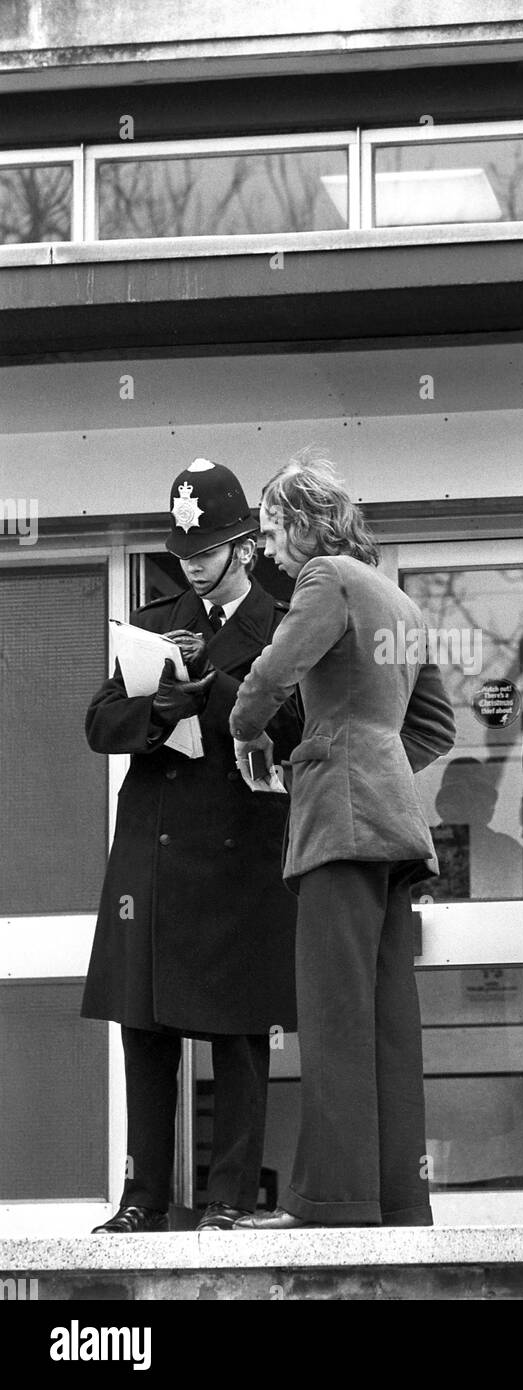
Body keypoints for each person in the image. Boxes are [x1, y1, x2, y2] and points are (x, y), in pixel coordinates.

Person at [229, 450, 456, 1229]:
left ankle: (331, 1202)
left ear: (301, 520)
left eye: (267, 528)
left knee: (330, 1016)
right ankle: (397, 1199)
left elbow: (269, 675)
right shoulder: (398, 599)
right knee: (388, 1021)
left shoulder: (324, 581)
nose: (262, 547)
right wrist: (375, 756)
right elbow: (434, 727)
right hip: (395, 826)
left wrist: (250, 739)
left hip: (339, 822)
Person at [83, 458, 301, 1233]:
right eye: (183, 556)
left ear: (243, 547)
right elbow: (98, 726)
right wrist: (154, 706)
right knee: (144, 1031)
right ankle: (141, 1199)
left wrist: (214, 691)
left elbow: (297, 729)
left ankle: (229, 1200)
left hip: (240, 847)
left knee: (241, 1034)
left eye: (206, 555)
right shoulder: (150, 622)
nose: (194, 570)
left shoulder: (279, 621)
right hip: (157, 850)